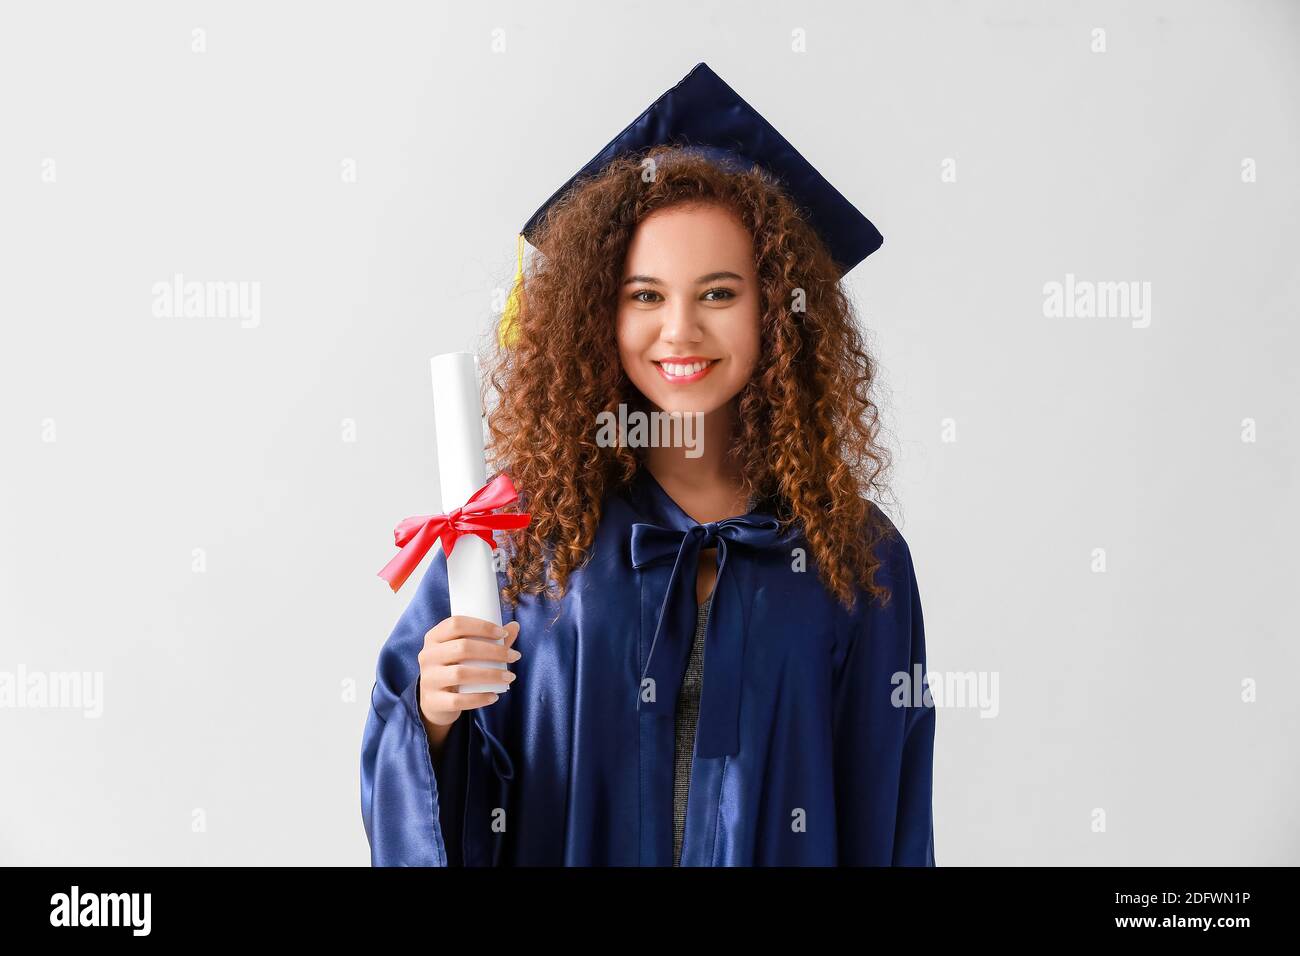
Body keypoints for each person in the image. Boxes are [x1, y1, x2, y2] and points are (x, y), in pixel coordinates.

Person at [361, 63, 936, 866]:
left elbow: (888, 812)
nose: (680, 331)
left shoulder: (854, 554)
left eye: (720, 294)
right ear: (600, 311)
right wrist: (431, 715)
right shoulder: (519, 533)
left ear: (778, 310)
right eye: (644, 296)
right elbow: (430, 781)